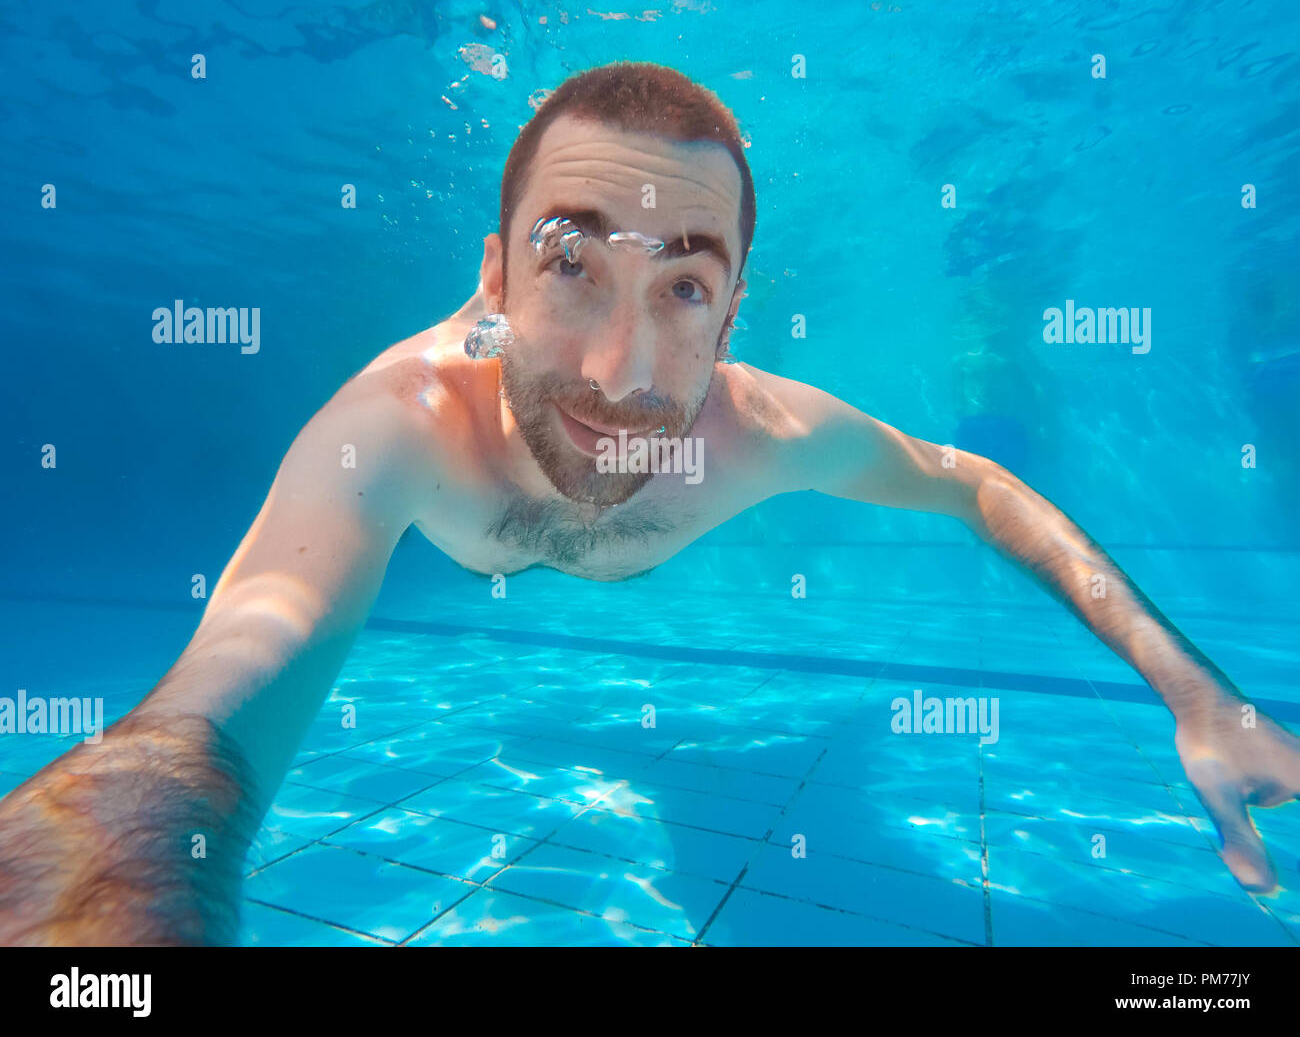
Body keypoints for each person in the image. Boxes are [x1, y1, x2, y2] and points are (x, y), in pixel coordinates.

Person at [1, 61, 1296, 946]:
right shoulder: (397, 425)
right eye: (570, 263)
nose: (622, 377)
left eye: (683, 288)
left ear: (730, 318)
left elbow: (976, 484)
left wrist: (1196, 693)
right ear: (494, 278)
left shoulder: (757, 429)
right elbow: (207, 707)